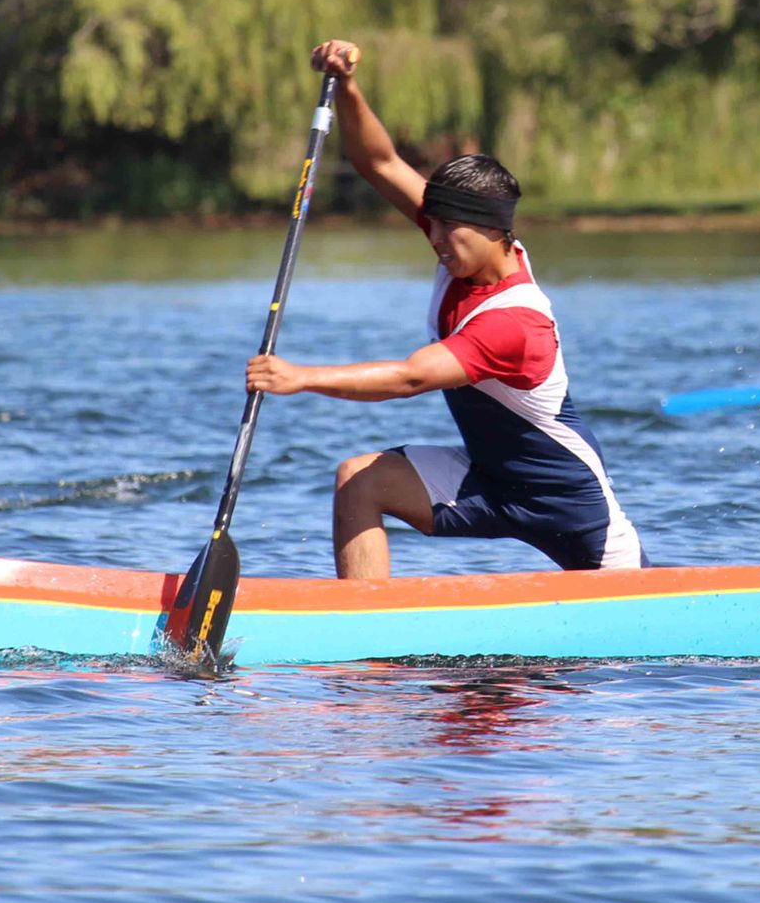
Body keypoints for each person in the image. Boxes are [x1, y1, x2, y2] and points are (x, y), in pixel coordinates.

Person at [243, 38, 644, 579]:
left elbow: (412, 378)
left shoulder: (516, 322)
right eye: (428, 223)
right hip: (486, 476)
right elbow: (379, 161)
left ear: (494, 229)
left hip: (568, 503)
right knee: (360, 478)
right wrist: (350, 87)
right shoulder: (460, 240)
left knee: (630, 625)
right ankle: (367, 633)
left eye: (445, 228)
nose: (431, 238)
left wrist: (301, 377)